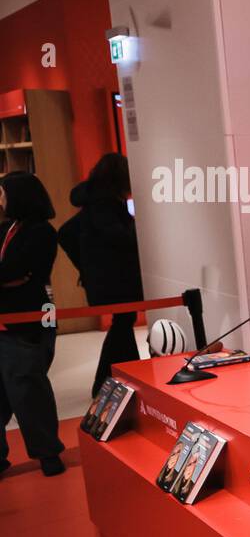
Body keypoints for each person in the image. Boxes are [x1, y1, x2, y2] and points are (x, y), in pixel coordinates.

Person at [0, 172, 65, 477]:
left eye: (3, 192)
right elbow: (10, 274)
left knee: (29, 389)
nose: (0, 199)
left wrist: (13, 277)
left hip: (29, 320)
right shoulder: (7, 229)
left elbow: (21, 271)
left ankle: (48, 453)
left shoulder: (41, 232)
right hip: (7, 319)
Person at [68, 153, 143, 397]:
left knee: (123, 324)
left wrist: (87, 266)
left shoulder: (95, 202)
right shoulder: (105, 205)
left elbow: (65, 233)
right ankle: (114, 380)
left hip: (107, 280)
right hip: (116, 280)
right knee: (123, 323)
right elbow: (122, 238)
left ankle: (122, 378)